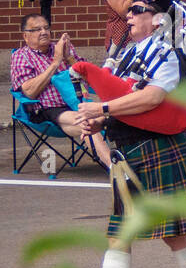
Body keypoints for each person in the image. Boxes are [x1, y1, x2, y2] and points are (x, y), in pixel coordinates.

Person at [55, 0, 186, 268]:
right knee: (121, 233)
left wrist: (104, 107)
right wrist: (95, 115)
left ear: (157, 20)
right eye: (128, 10)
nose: (128, 15)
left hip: (158, 149)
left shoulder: (167, 54)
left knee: (174, 235)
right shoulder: (128, 53)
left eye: (137, 10)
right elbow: (113, 90)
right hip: (128, 151)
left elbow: (153, 98)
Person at [10, 13, 111, 167]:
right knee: (88, 123)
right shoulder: (21, 56)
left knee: (114, 111)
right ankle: (115, 168)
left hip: (78, 102)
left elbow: (88, 79)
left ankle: (126, 163)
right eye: (37, 29)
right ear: (25, 36)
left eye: (46, 28)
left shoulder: (61, 49)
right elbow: (29, 92)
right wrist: (56, 62)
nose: (44, 32)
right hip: (46, 109)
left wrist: (69, 57)